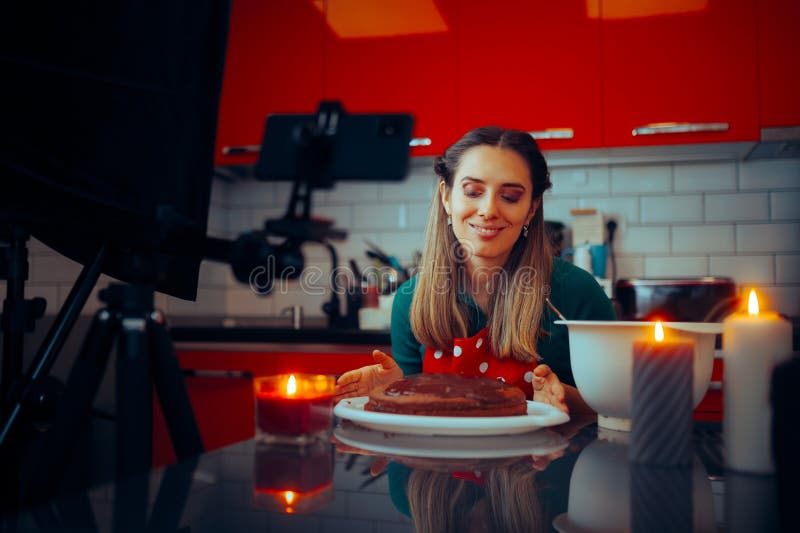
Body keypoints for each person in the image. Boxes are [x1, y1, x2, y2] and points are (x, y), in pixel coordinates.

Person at [334, 126, 614, 413]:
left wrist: (565, 400)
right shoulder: (410, 300)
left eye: (510, 196)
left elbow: (615, 407)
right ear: (446, 197)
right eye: (472, 192)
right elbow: (415, 412)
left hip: (552, 457)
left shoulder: (577, 292)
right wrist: (390, 390)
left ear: (532, 208)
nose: (488, 209)